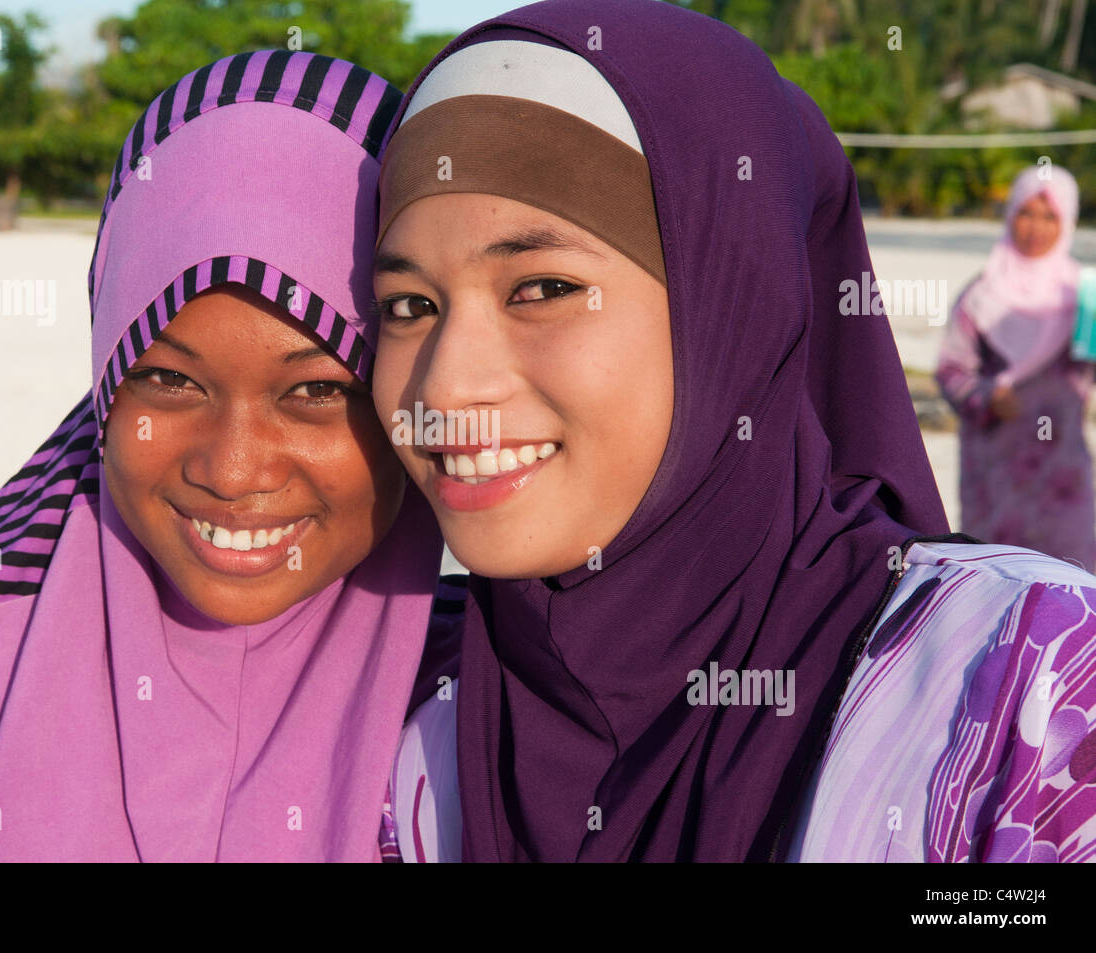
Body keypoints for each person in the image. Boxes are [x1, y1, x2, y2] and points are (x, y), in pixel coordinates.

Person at [369, 0, 1096, 862]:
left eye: (541, 288)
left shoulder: (1031, 688)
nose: (446, 385)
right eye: (408, 307)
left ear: (733, 304)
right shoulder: (390, 693)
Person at [0, 50, 459, 862]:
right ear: (106, 379)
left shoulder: (502, 707)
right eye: (168, 378)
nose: (233, 469)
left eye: (318, 390)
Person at [936, 165, 1096, 571]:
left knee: (1070, 585)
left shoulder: (1083, 294)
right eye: (1026, 213)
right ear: (1010, 216)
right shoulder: (981, 295)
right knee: (998, 580)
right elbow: (951, 369)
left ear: (1068, 222)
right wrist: (986, 396)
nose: (1036, 227)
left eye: (1050, 216)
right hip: (994, 473)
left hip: (1063, 474)